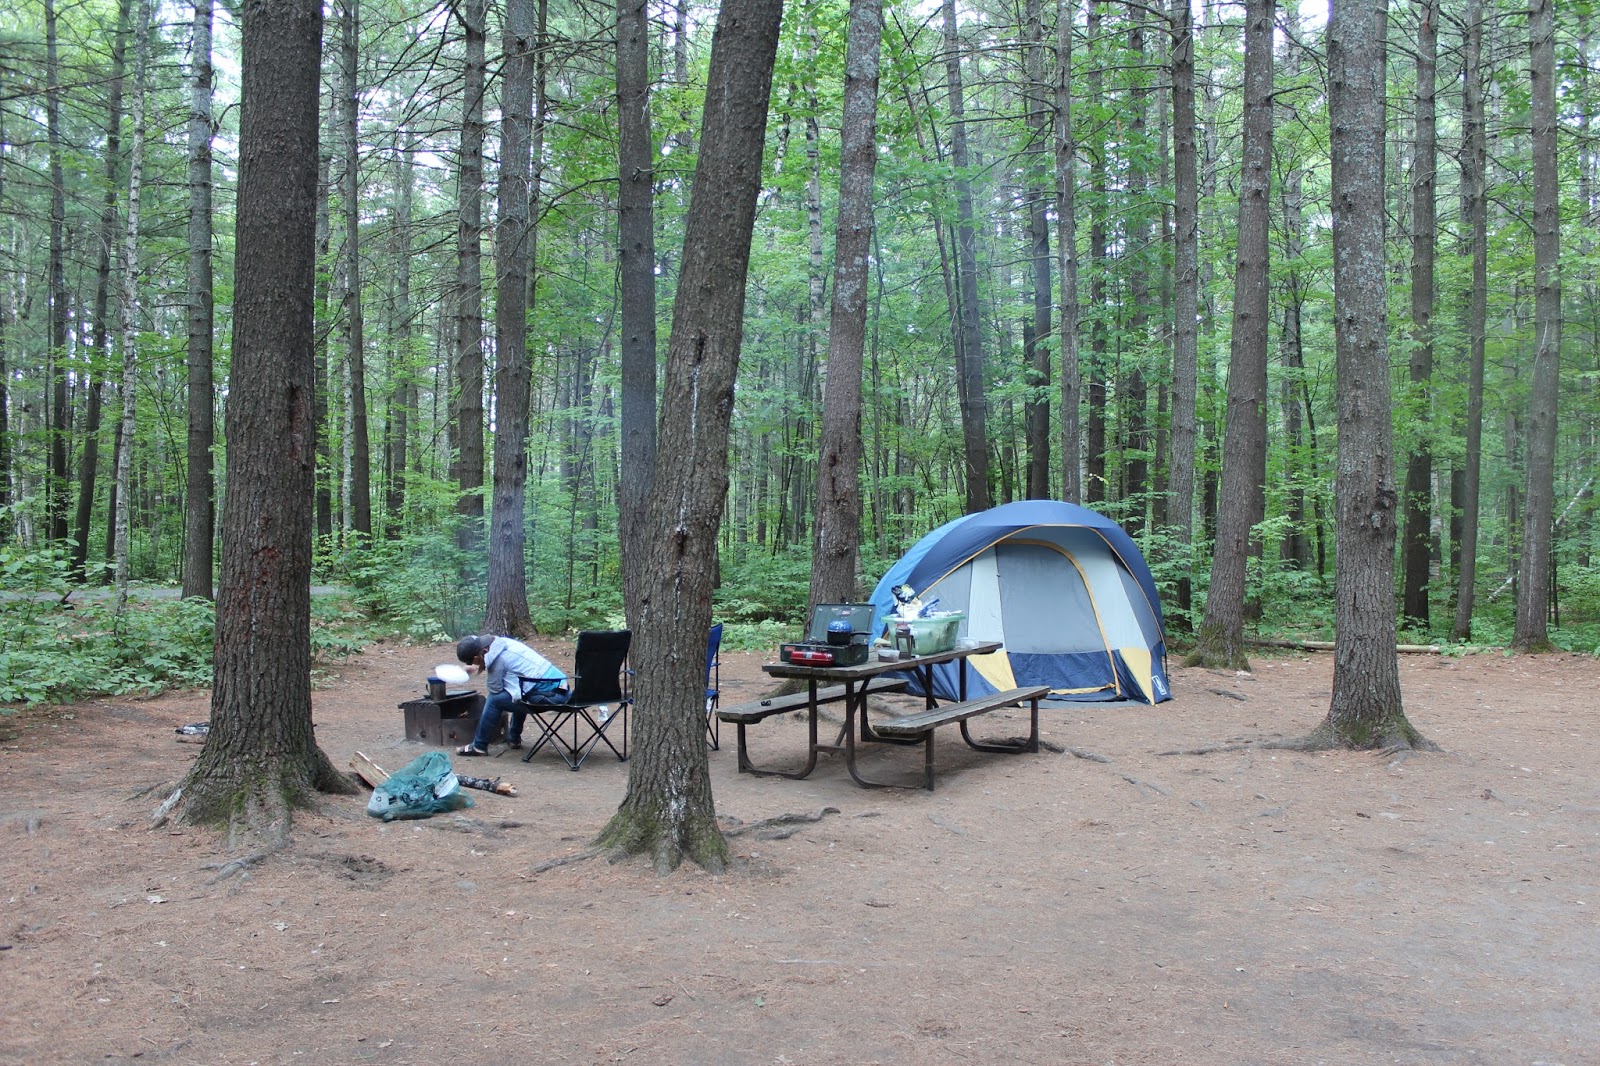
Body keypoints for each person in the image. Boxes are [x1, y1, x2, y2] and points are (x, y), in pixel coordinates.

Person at [453, 634, 569, 755]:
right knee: (517, 692)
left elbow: (495, 689)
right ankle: (514, 738)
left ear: (477, 657)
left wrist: (480, 669)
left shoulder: (498, 659)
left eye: (471, 661)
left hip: (552, 695)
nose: (472, 664)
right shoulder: (503, 643)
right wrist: (476, 668)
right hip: (561, 687)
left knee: (495, 700)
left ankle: (479, 746)